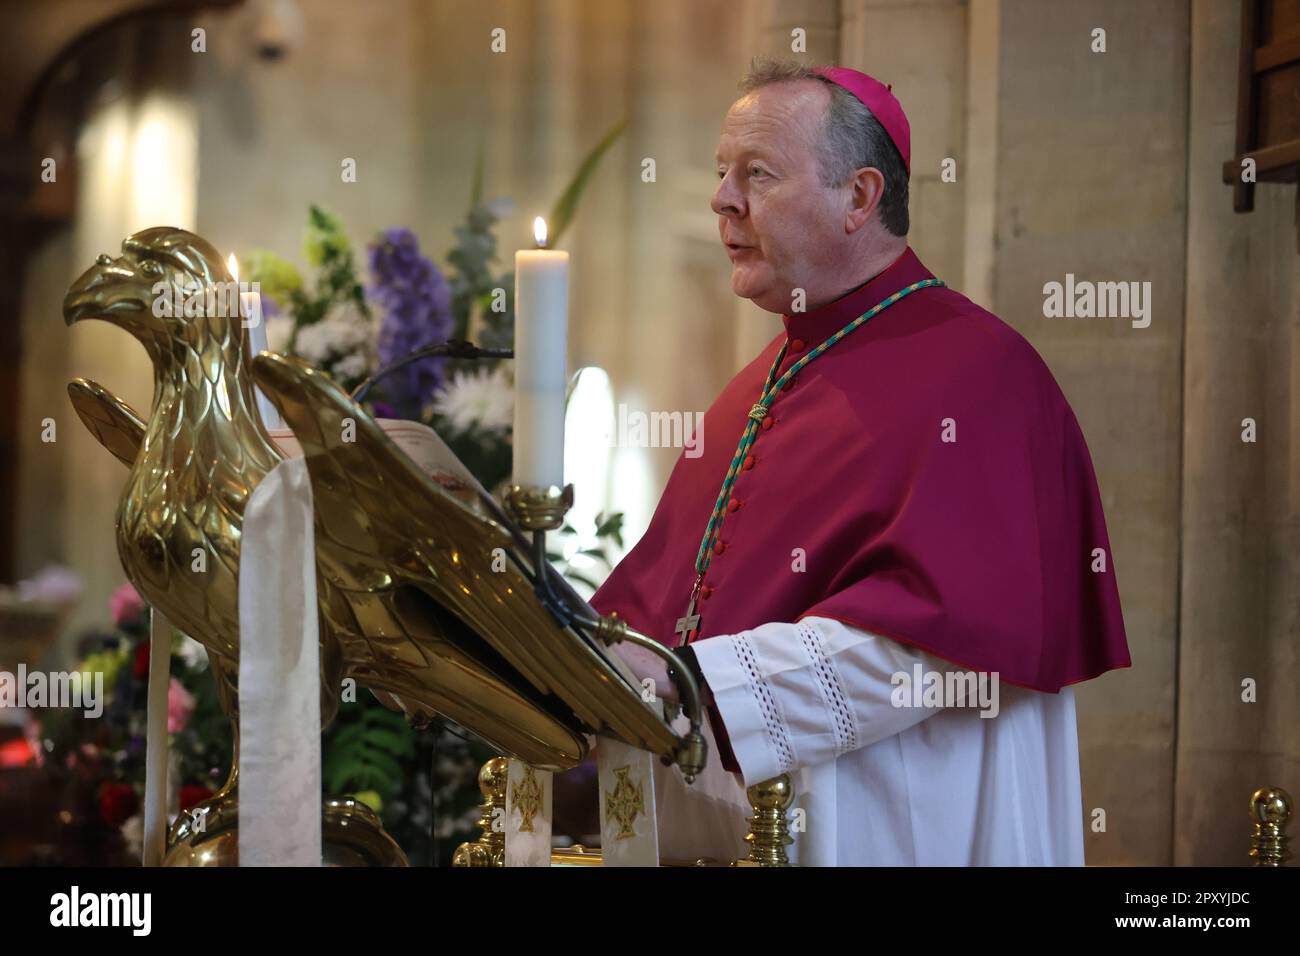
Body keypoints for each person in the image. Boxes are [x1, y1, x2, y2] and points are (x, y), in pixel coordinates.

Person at [591, 59, 1130, 866]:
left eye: (758, 173)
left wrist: (694, 680)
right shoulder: (754, 388)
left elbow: (939, 650)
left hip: (901, 822)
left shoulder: (979, 374)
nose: (722, 198)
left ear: (859, 197)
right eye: (721, 173)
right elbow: (655, 620)